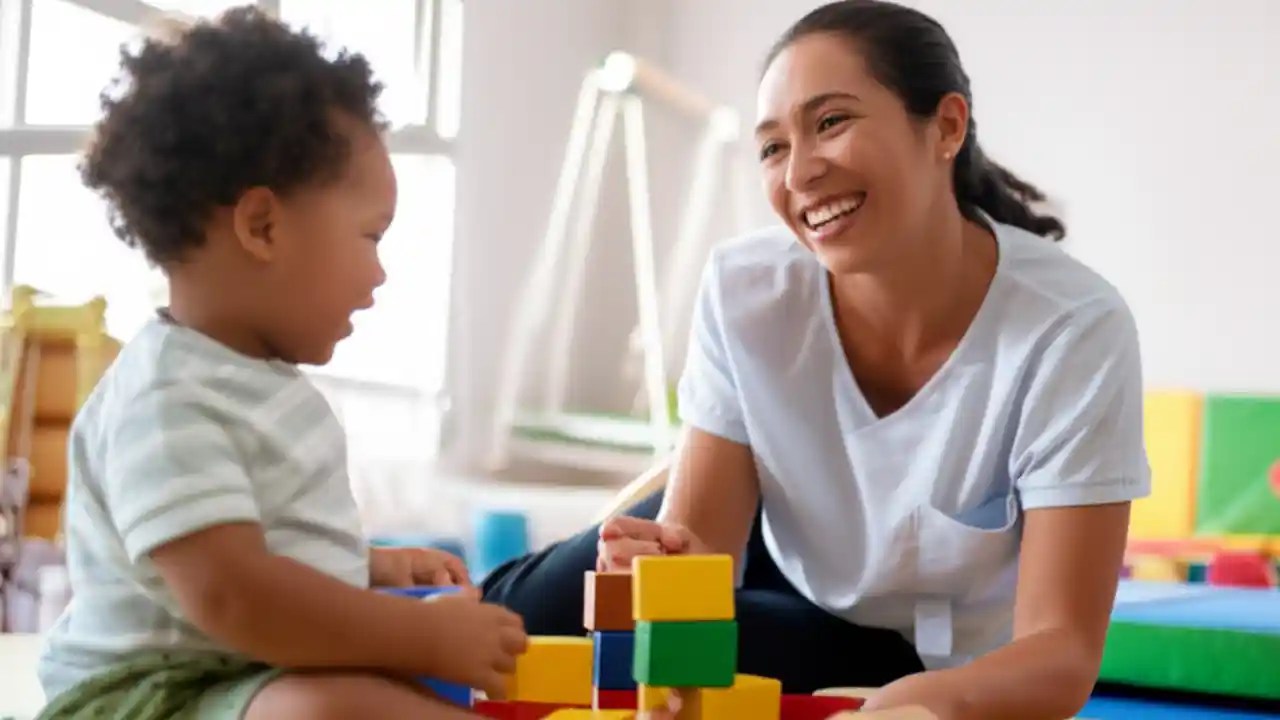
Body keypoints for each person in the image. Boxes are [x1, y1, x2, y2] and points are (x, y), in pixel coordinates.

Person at [483, 2, 1150, 719]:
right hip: (778, 543)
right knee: (511, 626)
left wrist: (923, 704)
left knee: (764, 676)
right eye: (772, 146)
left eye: (831, 122)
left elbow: (1062, 652)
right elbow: (704, 551)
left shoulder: (1073, 329)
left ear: (947, 127)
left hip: (914, 652)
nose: (799, 172)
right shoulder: (746, 288)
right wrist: (663, 576)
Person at [36, 9, 526, 719]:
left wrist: (368, 566)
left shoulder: (254, 381)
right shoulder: (167, 396)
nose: (380, 274)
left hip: (234, 676)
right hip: (146, 698)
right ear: (263, 227)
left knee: (359, 696)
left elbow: (267, 549)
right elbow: (232, 593)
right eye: (370, 236)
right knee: (328, 708)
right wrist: (416, 632)